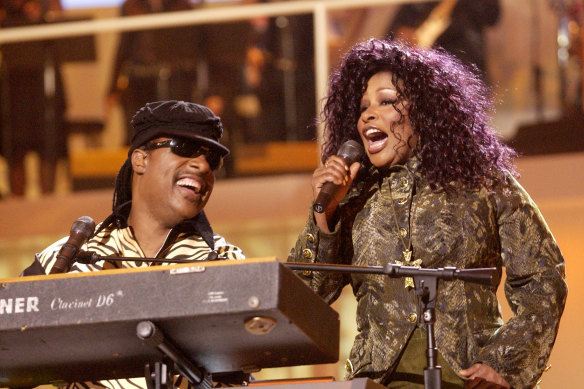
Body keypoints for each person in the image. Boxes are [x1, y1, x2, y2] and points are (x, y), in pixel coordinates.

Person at [288, 38, 567, 389]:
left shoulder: (483, 183)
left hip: (466, 379)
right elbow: (302, 296)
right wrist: (324, 217)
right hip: (378, 381)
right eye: (362, 107)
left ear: (425, 110)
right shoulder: (353, 198)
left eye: (386, 101)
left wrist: (504, 362)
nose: (367, 115)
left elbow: (543, 278)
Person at [23, 100, 244, 386]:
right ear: (140, 160)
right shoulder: (69, 257)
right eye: (184, 148)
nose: (201, 165)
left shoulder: (225, 262)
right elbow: (14, 353)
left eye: (211, 159)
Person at [106, 0, 200, 145]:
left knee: (173, 134)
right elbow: (123, 48)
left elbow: (190, 48)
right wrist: (112, 88)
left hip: (171, 81)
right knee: (139, 135)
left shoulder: (181, 6)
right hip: (139, 81)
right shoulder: (131, 6)